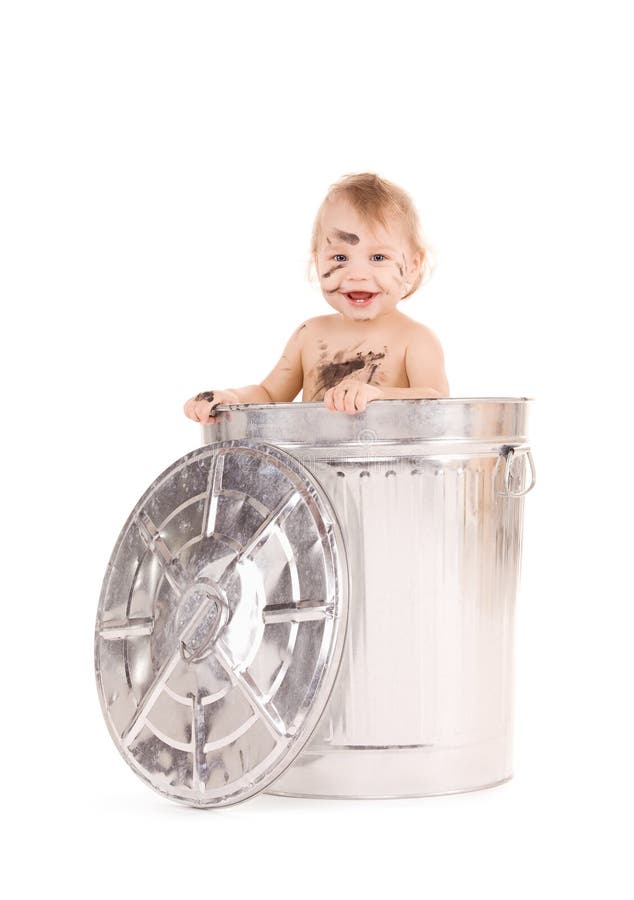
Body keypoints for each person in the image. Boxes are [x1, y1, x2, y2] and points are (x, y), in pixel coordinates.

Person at [184, 172, 449, 422]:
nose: (357, 274)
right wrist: (231, 398)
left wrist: (379, 396)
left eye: (378, 257)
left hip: (391, 470)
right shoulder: (310, 335)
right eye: (340, 257)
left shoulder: (415, 339)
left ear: (413, 266)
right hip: (309, 470)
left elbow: (438, 404)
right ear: (317, 261)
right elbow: (269, 395)